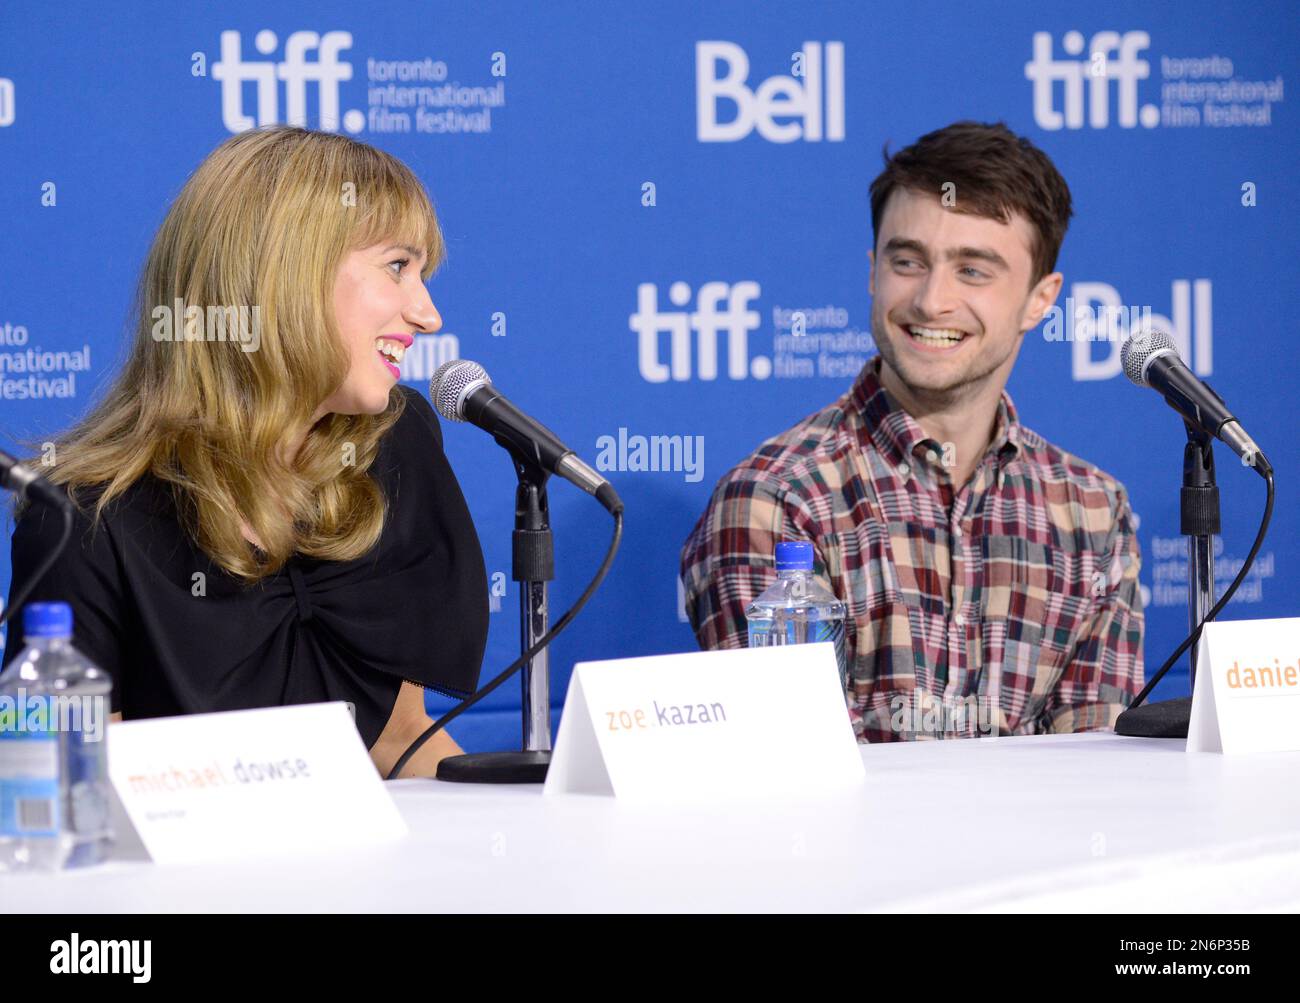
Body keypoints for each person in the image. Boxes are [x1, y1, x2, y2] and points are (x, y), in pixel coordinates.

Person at [2, 126, 488, 778]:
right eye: (398, 266)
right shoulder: (82, 514)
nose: (428, 313)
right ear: (287, 272)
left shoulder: (397, 445)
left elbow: (401, 739)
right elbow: (68, 792)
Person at [681, 121, 1143, 741]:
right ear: (873, 271)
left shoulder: (1092, 511)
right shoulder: (775, 500)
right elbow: (791, 764)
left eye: (973, 271)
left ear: (1041, 298)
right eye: (908, 261)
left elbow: (1095, 767)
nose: (931, 301)